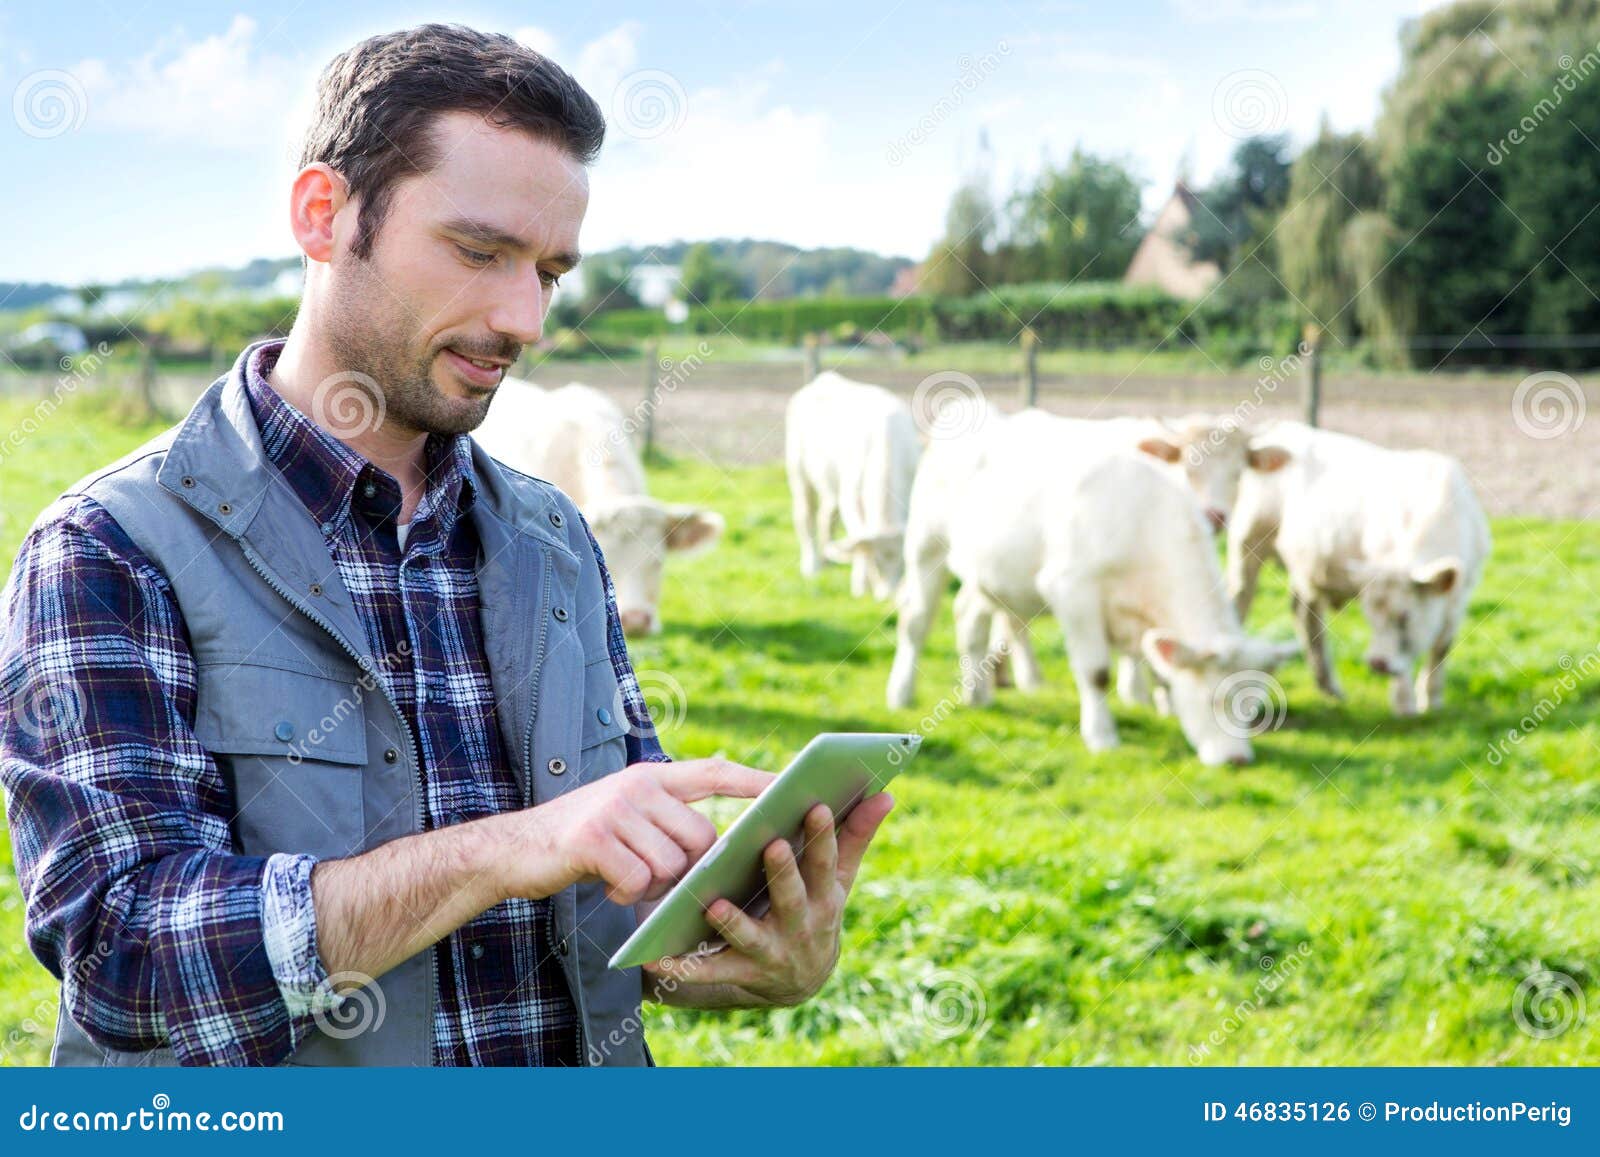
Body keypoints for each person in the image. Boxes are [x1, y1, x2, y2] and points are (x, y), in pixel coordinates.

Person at [0, 23, 893, 1067]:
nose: (525, 317)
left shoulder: (556, 538)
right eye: (479, 251)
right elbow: (124, 952)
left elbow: (608, 906)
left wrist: (729, 947)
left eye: (550, 271)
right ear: (323, 215)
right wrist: (506, 849)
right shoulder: (112, 544)